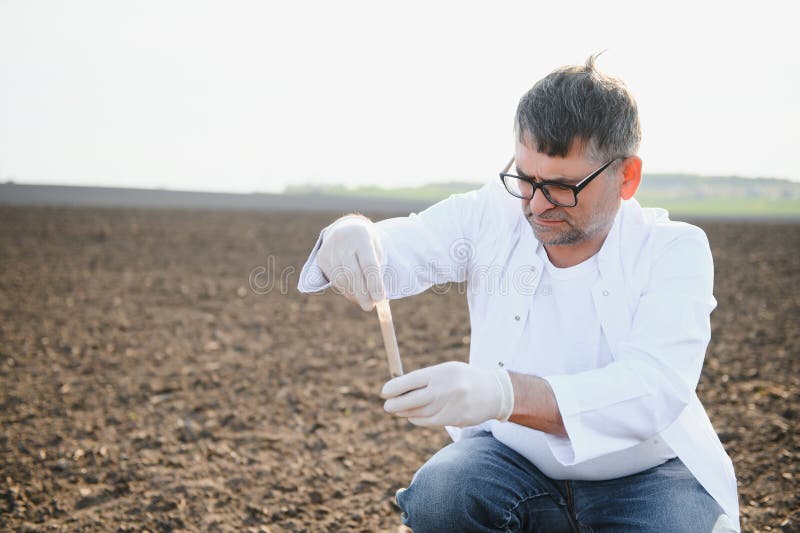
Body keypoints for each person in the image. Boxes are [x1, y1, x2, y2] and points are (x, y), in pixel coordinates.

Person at [297, 54, 740, 532]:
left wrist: (505, 393)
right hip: (512, 461)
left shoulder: (674, 250)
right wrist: (352, 235)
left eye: (562, 186)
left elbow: (652, 389)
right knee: (442, 495)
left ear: (626, 177)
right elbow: (404, 246)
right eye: (526, 179)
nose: (537, 203)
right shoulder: (498, 210)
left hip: (646, 474)